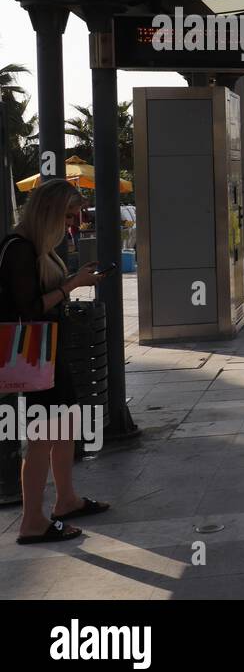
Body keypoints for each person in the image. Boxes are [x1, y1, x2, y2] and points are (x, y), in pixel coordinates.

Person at [0, 179, 108, 544]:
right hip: (32, 356)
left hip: (47, 352)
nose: (71, 225)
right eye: (67, 216)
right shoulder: (18, 249)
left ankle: (66, 500)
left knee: (63, 428)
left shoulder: (38, 249)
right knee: (42, 437)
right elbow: (29, 308)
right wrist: (73, 284)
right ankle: (32, 521)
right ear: (48, 213)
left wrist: (74, 278)